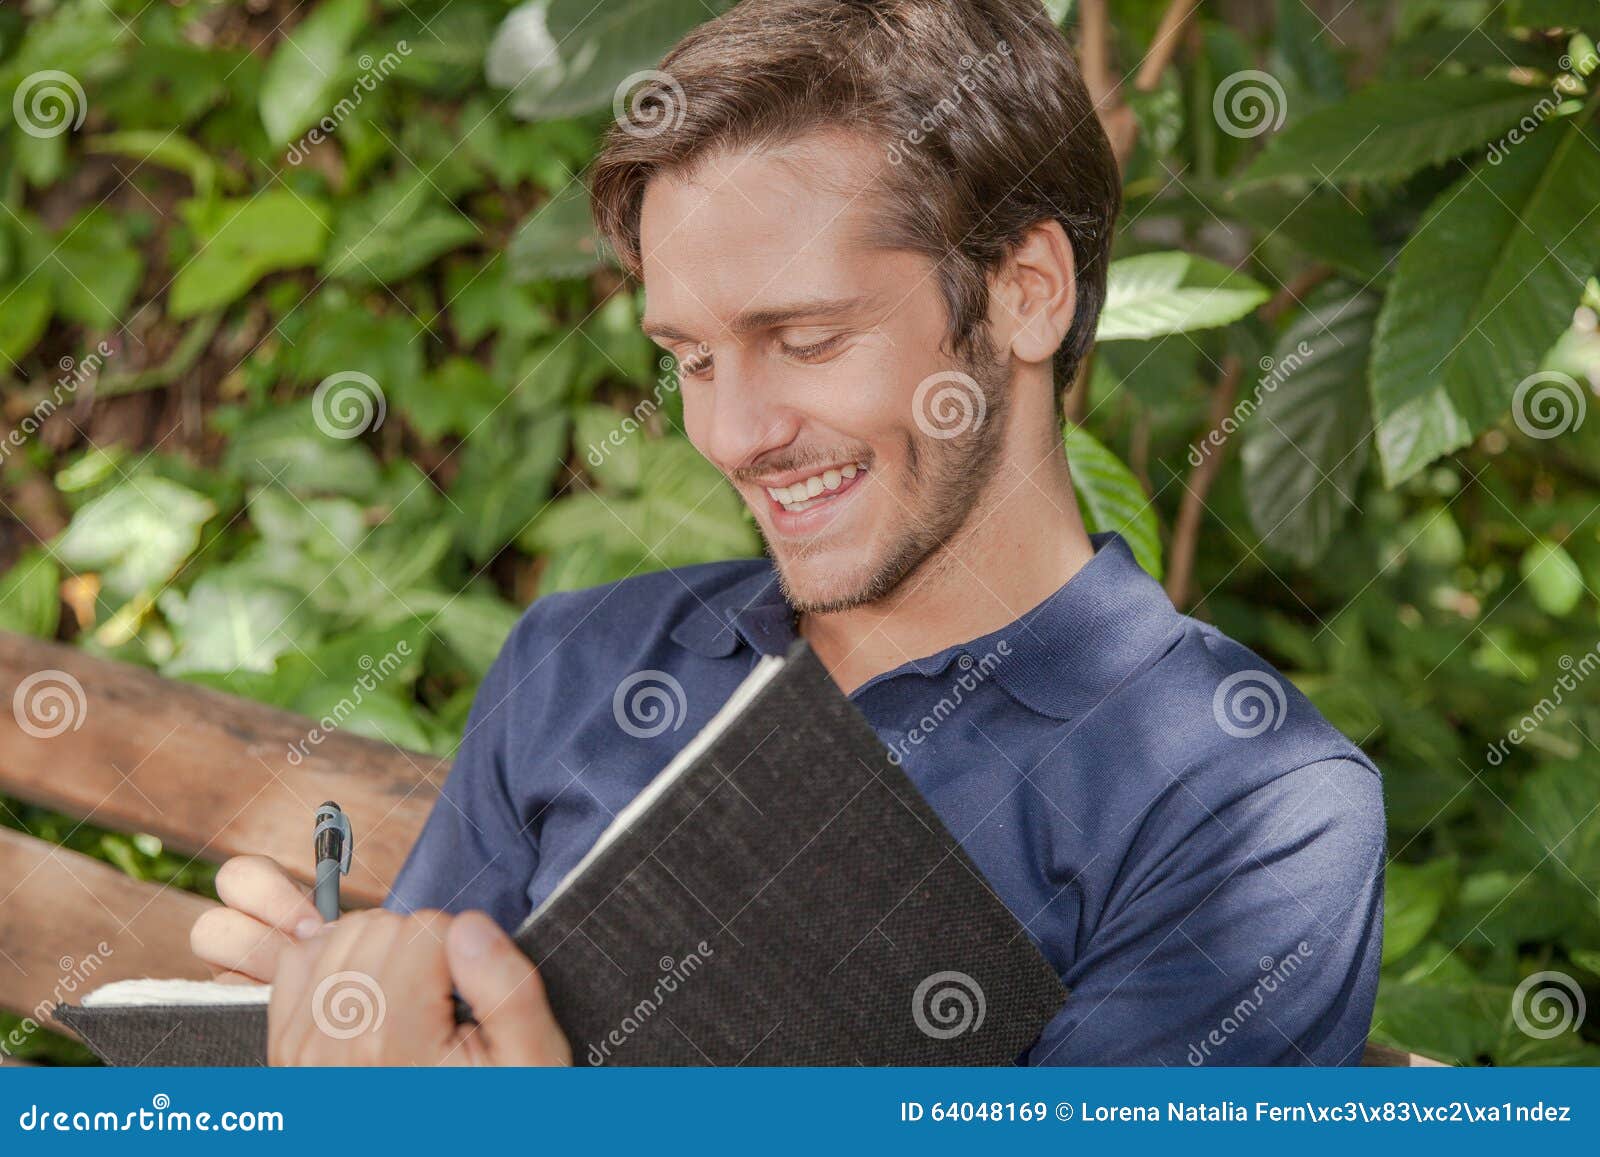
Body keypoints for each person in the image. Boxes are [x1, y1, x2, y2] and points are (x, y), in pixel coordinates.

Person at [192, 0, 1385, 1066]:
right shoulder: (580, 660)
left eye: (806, 341)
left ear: (1026, 291)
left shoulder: (1246, 808)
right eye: (692, 359)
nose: (734, 433)